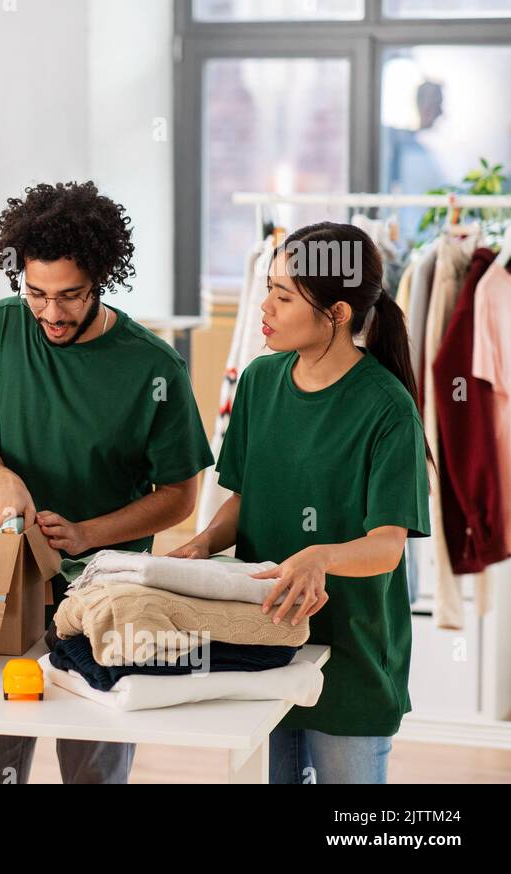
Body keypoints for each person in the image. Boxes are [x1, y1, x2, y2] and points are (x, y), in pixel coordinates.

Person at [0, 181, 215, 783]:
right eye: (35, 294)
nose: (50, 313)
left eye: (68, 296)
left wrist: (86, 533)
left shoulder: (153, 366)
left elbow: (179, 497)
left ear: (100, 279)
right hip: (6, 579)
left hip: (105, 594)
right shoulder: (0, 328)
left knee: (94, 765)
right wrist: (3, 483)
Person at [170, 222, 431, 784]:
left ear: (337, 313)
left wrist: (321, 557)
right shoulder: (260, 381)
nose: (264, 306)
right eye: (268, 287)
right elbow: (246, 496)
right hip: (264, 643)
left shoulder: (387, 409)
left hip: (350, 657)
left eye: (284, 296)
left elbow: (386, 547)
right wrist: (202, 544)